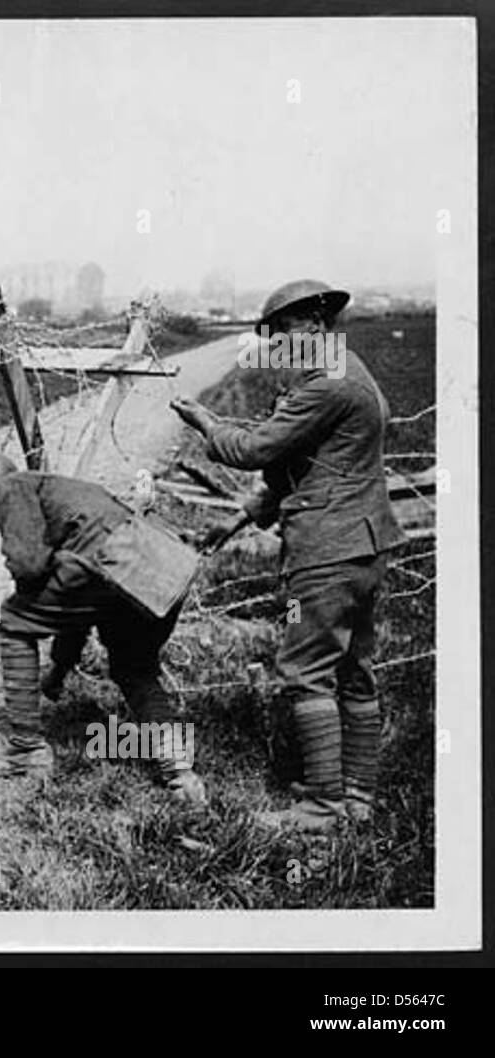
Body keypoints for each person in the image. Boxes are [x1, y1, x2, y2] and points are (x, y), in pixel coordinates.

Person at [171, 279, 407, 831]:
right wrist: (238, 519)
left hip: (326, 549)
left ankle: (320, 809)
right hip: (364, 547)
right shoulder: (351, 372)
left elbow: (257, 451)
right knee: (352, 667)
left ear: (310, 329)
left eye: (282, 338)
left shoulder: (326, 386)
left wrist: (206, 421)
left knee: (305, 668)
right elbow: (294, 468)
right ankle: (355, 797)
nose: (279, 349)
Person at [0, 453, 207, 804]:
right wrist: (58, 668)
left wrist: (33, 588)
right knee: (135, 670)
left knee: (14, 625)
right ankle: (181, 773)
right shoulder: (59, 490)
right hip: (157, 567)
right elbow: (75, 608)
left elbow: (28, 566)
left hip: (106, 563)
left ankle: (26, 748)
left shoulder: (10, 489)